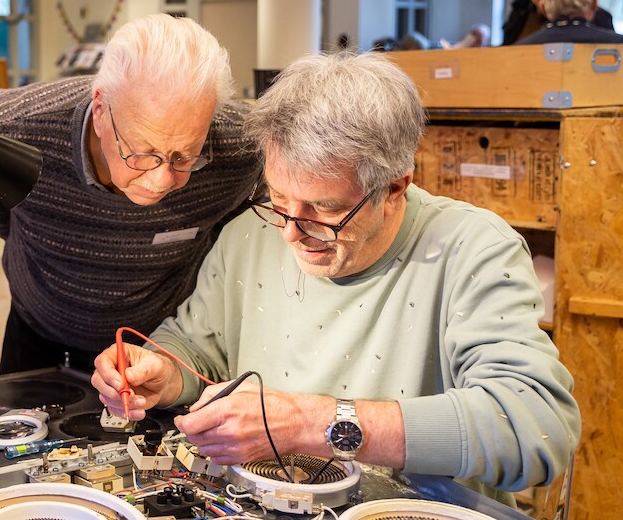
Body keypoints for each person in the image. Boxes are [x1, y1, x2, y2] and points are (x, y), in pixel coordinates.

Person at [92, 51, 581, 498]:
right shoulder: (249, 235)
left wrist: (315, 424)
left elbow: (536, 429)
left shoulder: (473, 250)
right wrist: (165, 372)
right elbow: (199, 346)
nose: (290, 232)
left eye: (324, 210)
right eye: (279, 201)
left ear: (395, 187)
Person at [0, 13, 260, 374]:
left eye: (185, 156)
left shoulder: (240, 146)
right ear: (102, 110)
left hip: (161, 352)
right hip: (38, 340)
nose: (162, 179)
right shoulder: (16, 126)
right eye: (143, 152)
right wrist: (20, 228)